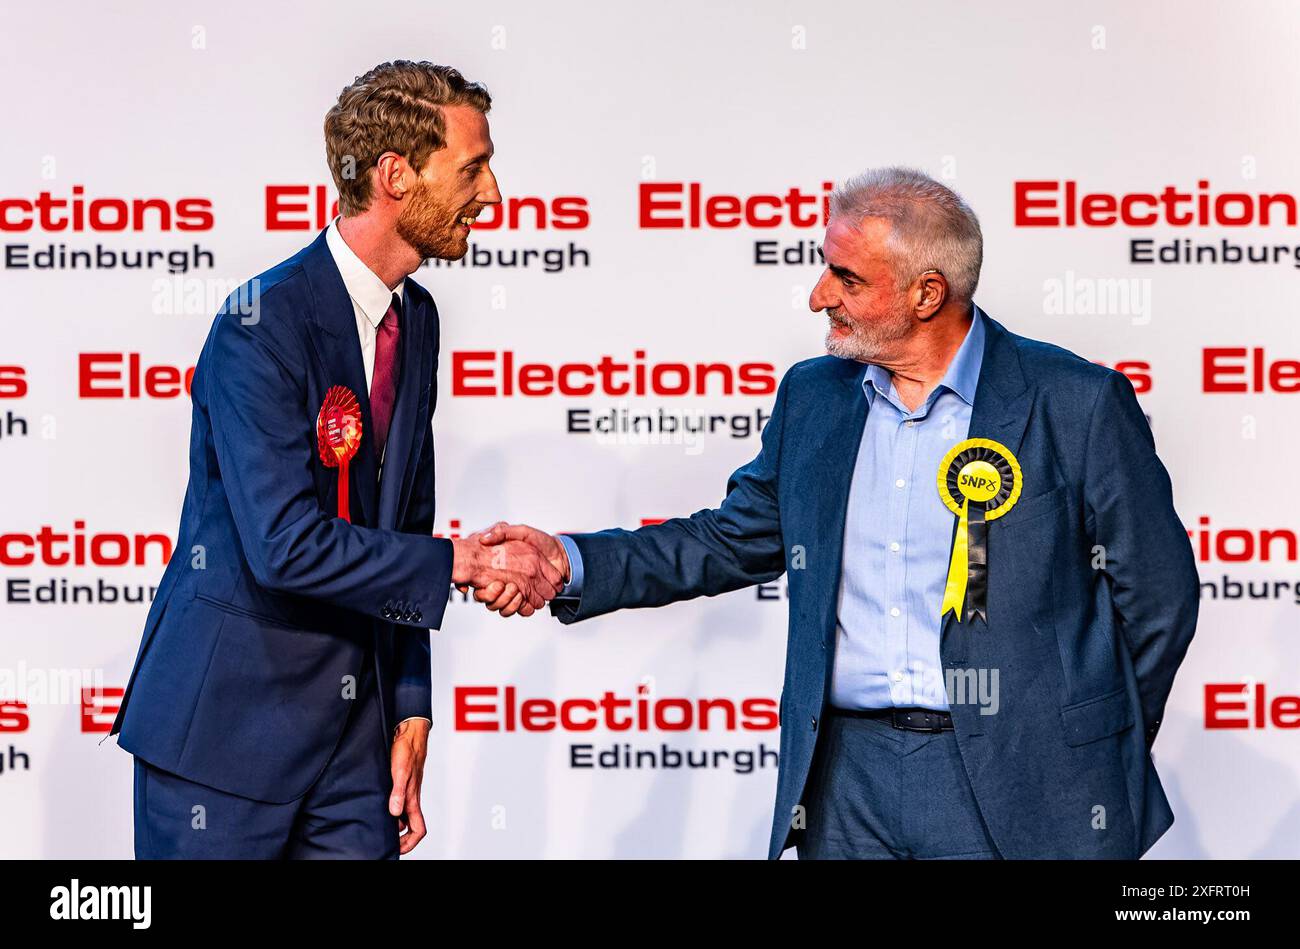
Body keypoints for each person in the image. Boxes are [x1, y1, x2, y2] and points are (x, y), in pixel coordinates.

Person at [479, 167, 1200, 859]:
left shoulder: (1076, 402)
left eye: (847, 278)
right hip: (846, 782)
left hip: (1019, 778)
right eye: (826, 268)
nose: (819, 294)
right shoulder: (815, 397)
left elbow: (1158, 598)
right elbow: (727, 540)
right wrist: (568, 562)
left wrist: (1084, 737)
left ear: (927, 293)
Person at [111, 61, 564, 859]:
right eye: (471, 167)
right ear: (395, 175)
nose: (492, 194)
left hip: (358, 743)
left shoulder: (416, 319)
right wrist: (462, 562)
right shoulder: (259, 324)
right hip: (224, 736)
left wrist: (411, 702)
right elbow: (284, 544)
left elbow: (406, 524)